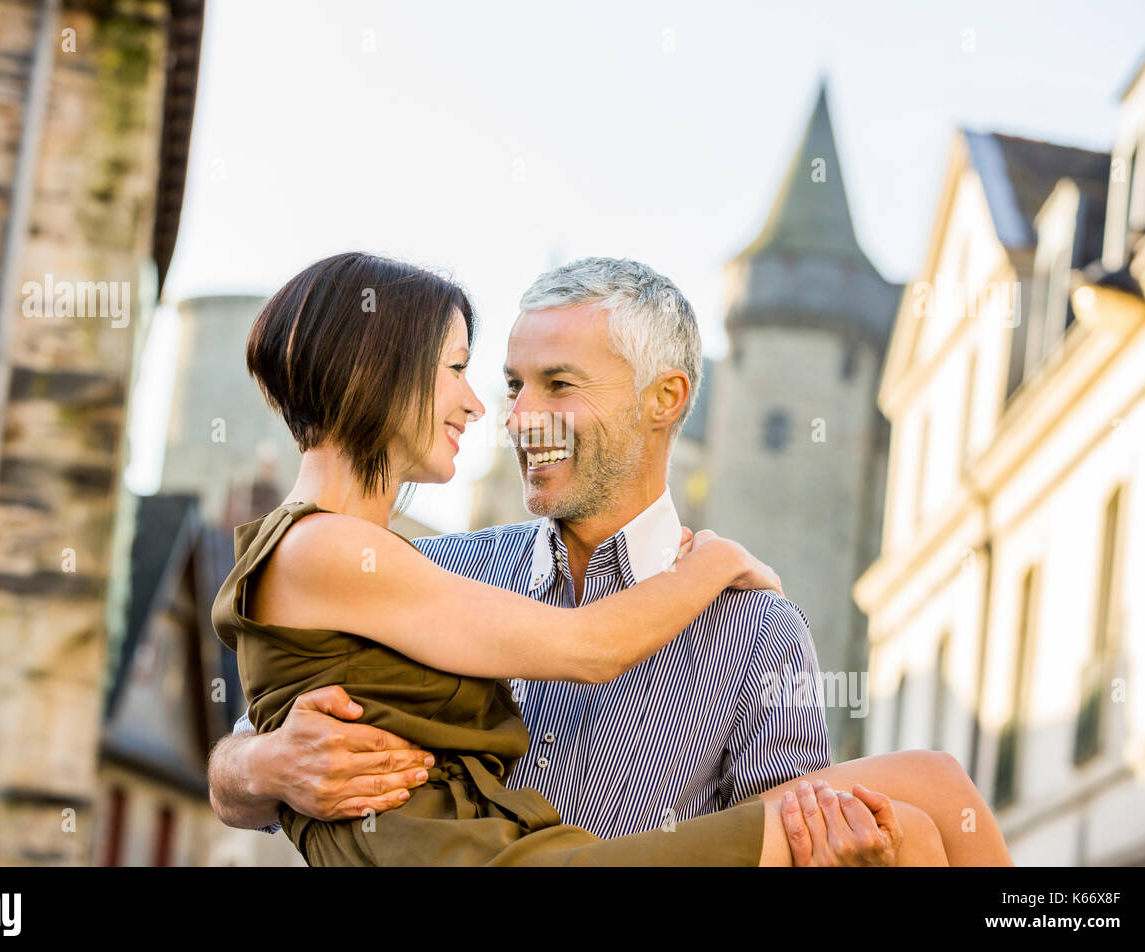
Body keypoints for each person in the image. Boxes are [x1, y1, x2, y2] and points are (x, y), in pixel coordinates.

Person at [211, 251, 1011, 865]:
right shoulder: (423, 570)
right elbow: (242, 755)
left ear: (666, 400)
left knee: (912, 819)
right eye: (509, 383)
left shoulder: (761, 631)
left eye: (558, 385)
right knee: (927, 792)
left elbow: (808, 838)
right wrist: (265, 767)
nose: (514, 417)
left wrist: (850, 857)